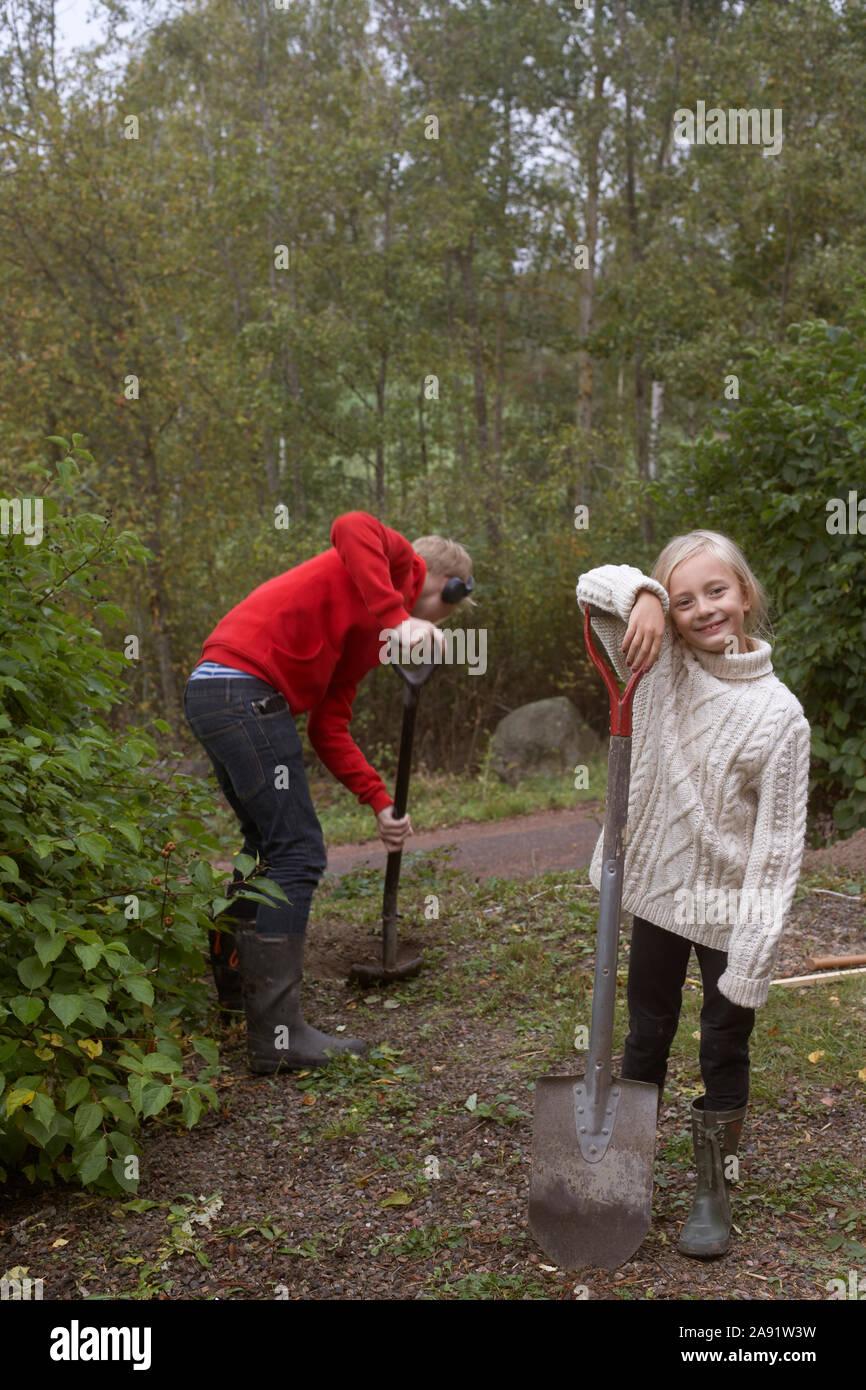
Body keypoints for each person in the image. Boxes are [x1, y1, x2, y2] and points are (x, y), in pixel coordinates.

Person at [576, 530, 810, 1259]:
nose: (704, 609)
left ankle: (713, 1187)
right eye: (684, 600)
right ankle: (624, 1168)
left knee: (722, 1041)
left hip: (728, 910)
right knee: (646, 1029)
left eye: (717, 591)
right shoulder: (657, 663)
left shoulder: (780, 716)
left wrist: (753, 956)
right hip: (653, 891)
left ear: (745, 595)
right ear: (670, 617)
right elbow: (592, 587)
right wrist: (642, 596)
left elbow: (776, 854)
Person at [183, 511, 474, 1074]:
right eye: (447, 611)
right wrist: (398, 616)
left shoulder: (368, 633)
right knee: (298, 852)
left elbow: (328, 727)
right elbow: (349, 523)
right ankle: (278, 1038)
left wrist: (378, 799)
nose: (438, 624)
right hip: (242, 686)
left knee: (267, 845)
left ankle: (234, 991)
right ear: (447, 584)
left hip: (218, 692)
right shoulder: (396, 563)